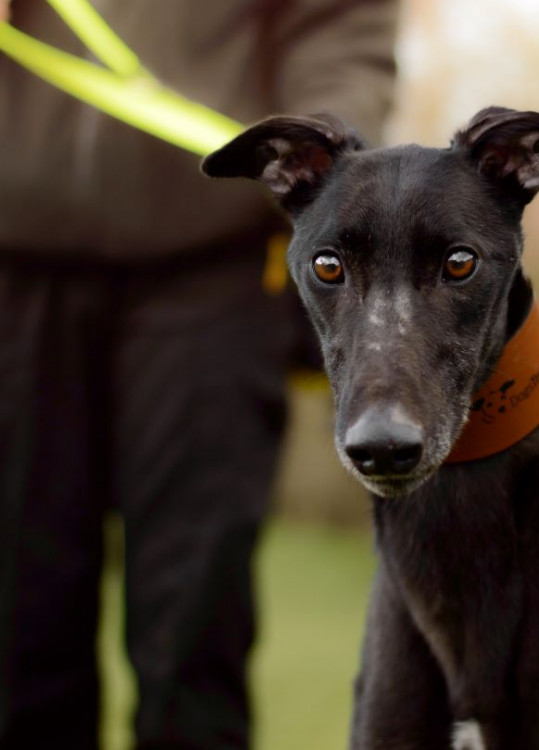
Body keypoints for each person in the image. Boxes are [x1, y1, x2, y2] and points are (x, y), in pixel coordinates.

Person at [0, 1, 399, 747]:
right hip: (13, 260)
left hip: (214, 264)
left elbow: (338, 24)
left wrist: (327, 165)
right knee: (18, 629)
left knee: (195, 629)